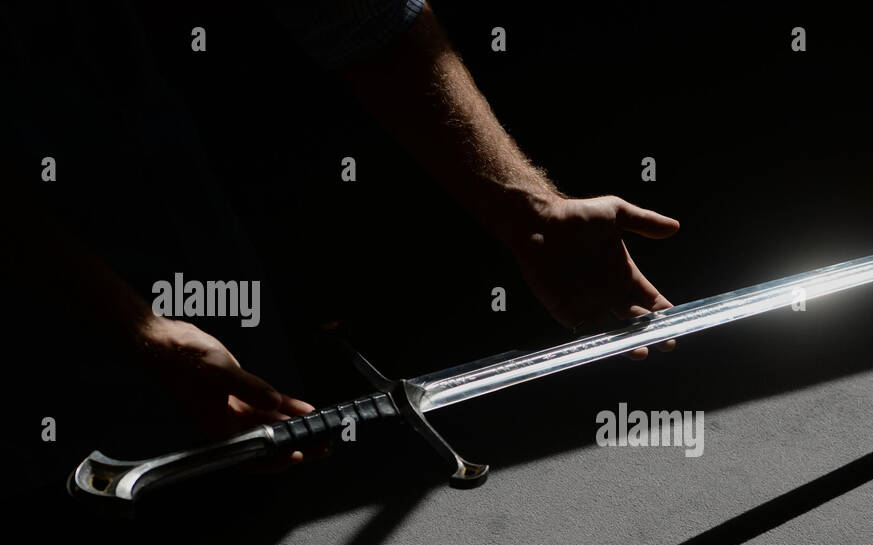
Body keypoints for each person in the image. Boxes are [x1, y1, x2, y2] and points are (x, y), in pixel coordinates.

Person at [4, 1, 678, 465]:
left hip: (120, 122)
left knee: (246, 432)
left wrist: (526, 209)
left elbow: (360, 16)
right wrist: (136, 329)